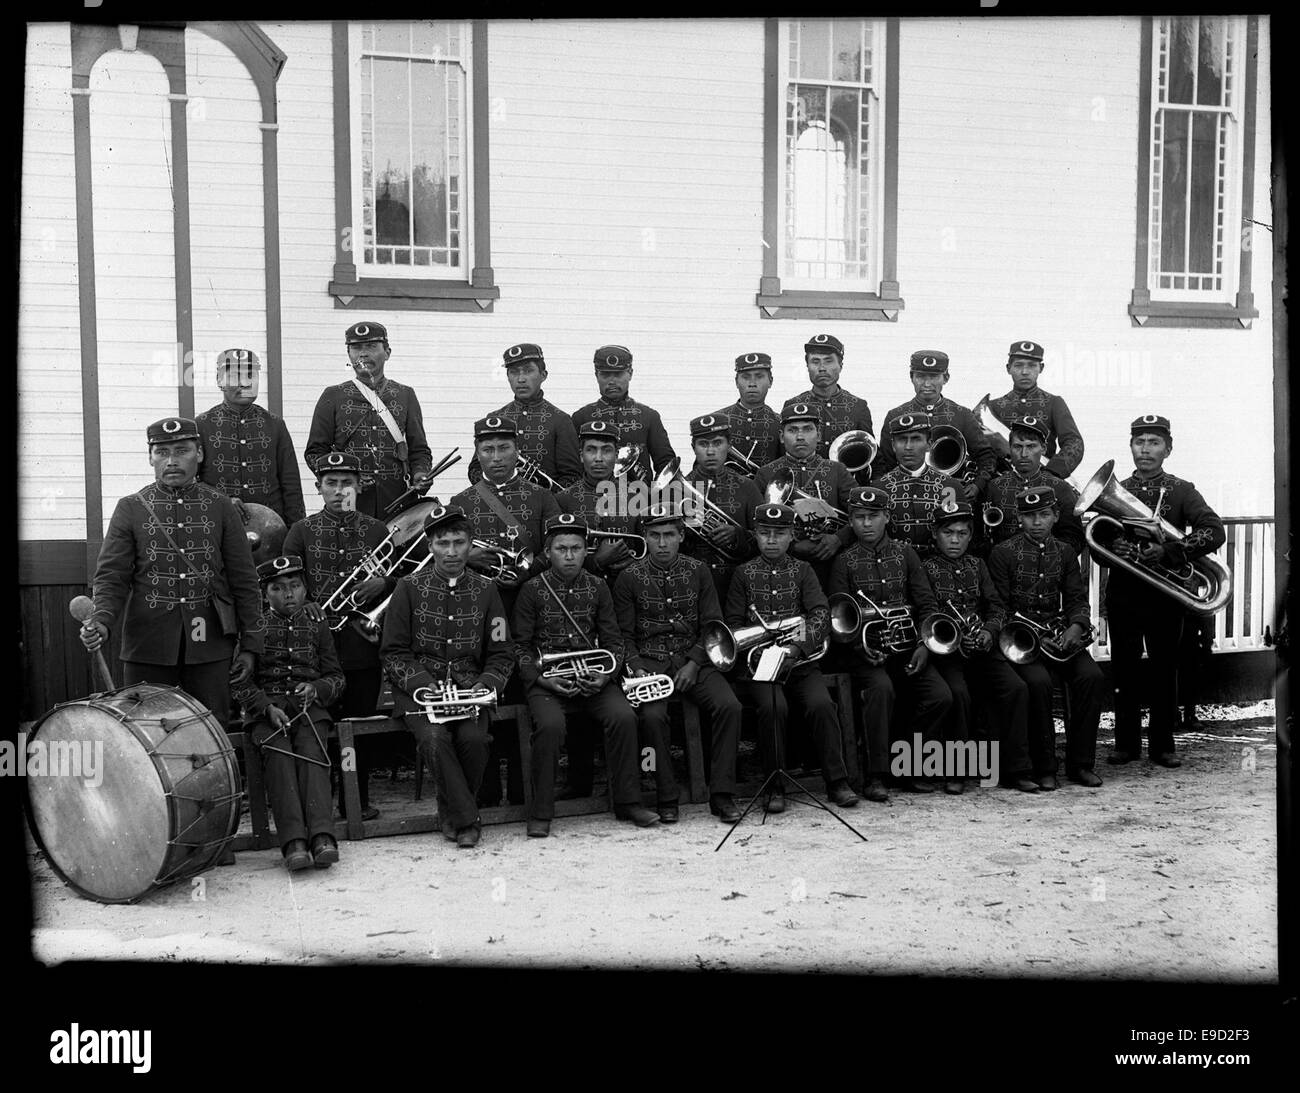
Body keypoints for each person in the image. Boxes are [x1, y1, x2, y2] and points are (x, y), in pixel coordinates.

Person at [81, 417, 263, 729]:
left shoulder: (220, 507)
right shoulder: (131, 508)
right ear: (150, 457)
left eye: (182, 451)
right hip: (148, 646)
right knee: (146, 734)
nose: (172, 461)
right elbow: (112, 577)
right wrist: (101, 620)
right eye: (162, 452)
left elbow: (245, 581)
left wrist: (251, 647)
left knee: (209, 732)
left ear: (200, 454)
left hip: (208, 642)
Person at [511, 513, 662, 837]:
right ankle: (541, 811)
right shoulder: (531, 590)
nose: (569, 556)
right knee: (551, 726)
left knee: (623, 716)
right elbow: (520, 647)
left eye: (576, 548)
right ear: (548, 552)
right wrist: (540, 679)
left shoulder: (598, 587)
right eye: (561, 549)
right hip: (548, 680)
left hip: (593, 676)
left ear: (586, 551)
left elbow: (614, 641)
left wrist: (606, 677)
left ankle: (628, 801)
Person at [380, 504, 514, 849]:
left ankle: (452, 813)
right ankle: (468, 819)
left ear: (471, 545)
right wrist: (425, 683)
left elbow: (501, 652)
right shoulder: (407, 587)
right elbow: (393, 652)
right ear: (430, 546)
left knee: (475, 740)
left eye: (459, 542)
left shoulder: (487, 590)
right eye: (443, 543)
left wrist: (486, 683)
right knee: (434, 741)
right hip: (419, 691)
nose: (451, 552)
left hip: (470, 689)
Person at [1102, 414, 1225, 769]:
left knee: (1163, 669)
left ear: (1168, 449)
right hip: (1124, 593)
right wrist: (1116, 549)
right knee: (1124, 670)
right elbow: (1099, 540)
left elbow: (1213, 530)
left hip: (1165, 596)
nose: (1146, 449)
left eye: (1154, 442)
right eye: (1139, 442)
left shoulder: (1182, 489)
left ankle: (1162, 745)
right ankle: (1125, 744)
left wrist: (1171, 551)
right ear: (1130, 447)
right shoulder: (1118, 488)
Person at [613, 502, 745, 823]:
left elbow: (713, 624)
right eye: (655, 535)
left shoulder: (699, 571)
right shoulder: (628, 578)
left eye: (669, 535)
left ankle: (722, 794)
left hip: (694, 660)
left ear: (681, 536)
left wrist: (695, 663)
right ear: (644, 536)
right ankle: (666, 796)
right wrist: (636, 667)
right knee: (652, 717)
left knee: (730, 706)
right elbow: (623, 636)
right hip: (650, 664)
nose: (661, 543)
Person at [724, 502, 859, 812]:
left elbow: (820, 614)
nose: (772, 540)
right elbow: (733, 625)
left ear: (791, 536)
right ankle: (774, 786)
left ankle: (837, 782)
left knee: (822, 705)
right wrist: (761, 649)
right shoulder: (743, 573)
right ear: (755, 535)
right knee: (774, 709)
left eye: (780, 534)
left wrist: (796, 647)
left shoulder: (803, 570)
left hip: (799, 663)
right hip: (760, 666)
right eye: (765, 534)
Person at [283, 452, 395, 822]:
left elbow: (406, 583)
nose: (339, 490)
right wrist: (308, 604)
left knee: (360, 722)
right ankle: (320, 803)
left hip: (363, 640)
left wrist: (385, 582)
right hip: (316, 647)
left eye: (347, 482)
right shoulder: (300, 531)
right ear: (318, 489)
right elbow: (287, 587)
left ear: (359, 487)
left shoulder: (379, 530)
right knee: (320, 724)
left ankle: (355, 801)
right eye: (330, 483)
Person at [828, 487, 951, 799]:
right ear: (851, 521)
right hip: (866, 654)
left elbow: (926, 603)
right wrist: (858, 646)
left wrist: (926, 644)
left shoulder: (905, 554)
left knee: (940, 696)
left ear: (886, 517)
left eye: (873, 516)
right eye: (858, 517)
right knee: (880, 690)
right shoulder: (844, 562)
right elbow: (837, 616)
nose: (866, 523)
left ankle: (912, 767)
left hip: (909, 649)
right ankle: (877, 776)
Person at [988, 487, 1105, 790]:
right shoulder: (1003, 553)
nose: (1036, 522)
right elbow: (999, 609)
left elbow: (1077, 600)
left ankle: (1081, 764)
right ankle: (1044, 767)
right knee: (1038, 683)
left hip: (1060, 638)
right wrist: (1036, 637)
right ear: (1019, 518)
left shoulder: (1065, 552)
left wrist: (1075, 628)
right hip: (1022, 641)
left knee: (1091, 676)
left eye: (1043, 515)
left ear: (1055, 516)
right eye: (1029, 516)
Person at [234, 555, 344, 871]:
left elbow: (337, 677)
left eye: (295, 586)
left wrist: (317, 689)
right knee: (279, 757)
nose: (289, 595)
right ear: (265, 594)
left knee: (312, 753)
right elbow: (239, 683)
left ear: (305, 588)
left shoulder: (317, 623)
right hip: (266, 715)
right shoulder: (252, 629)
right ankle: (294, 843)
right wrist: (266, 707)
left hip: (309, 712)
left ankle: (323, 837)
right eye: (278, 589)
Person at [921, 502, 1038, 793]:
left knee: (1016, 688)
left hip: (983, 648)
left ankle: (1017, 769)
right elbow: (925, 613)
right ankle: (957, 772)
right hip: (948, 653)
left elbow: (996, 607)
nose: (955, 540)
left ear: (970, 536)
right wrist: (958, 639)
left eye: (962, 533)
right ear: (935, 534)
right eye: (948, 533)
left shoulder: (978, 565)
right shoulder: (925, 568)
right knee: (958, 694)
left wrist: (988, 632)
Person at [304, 321, 433, 518]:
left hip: (397, 496)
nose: (363, 354)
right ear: (349, 355)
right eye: (356, 347)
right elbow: (315, 452)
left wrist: (420, 474)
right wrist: (342, 478)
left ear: (387, 352)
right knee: (348, 543)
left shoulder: (405, 395)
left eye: (371, 346)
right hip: (348, 498)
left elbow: (419, 449)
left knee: (395, 547)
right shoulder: (333, 396)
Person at [451, 415, 562, 613]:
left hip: (534, 601)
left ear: (517, 451)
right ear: (477, 454)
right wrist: (465, 557)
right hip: (476, 603)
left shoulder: (543, 496)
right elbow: (444, 553)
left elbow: (557, 545)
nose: (496, 457)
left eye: (504, 448)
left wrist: (527, 572)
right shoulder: (460, 502)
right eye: (488, 450)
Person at [195, 348, 306, 526]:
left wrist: (296, 536)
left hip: (271, 533)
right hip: (218, 529)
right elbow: (192, 484)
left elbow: (291, 487)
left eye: (250, 375)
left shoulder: (275, 425)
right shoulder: (202, 425)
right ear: (219, 380)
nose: (245, 383)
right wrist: (222, 502)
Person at [753, 402, 857, 585]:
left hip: (831, 566)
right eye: (792, 430)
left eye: (808, 429)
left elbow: (860, 511)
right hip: (781, 569)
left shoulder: (837, 470)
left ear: (819, 435)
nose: (800, 436)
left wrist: (838, 539)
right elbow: (754, 522)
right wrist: (792, 545)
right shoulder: (766, 473)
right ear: (782, 437)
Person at [872, 351, 995, 500]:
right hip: (906, 495)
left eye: (934, 377)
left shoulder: (962, 415)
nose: (927, 384)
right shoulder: (895, 415)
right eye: (921, 376)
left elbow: (985, 456)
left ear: (946, 378)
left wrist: (977, 485)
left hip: (950, 495)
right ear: (911, 377)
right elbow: (886, 462)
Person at [467, 343, 581, 489]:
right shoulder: (495, 418)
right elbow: (475, 470)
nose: (521, 379)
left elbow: (572, 477)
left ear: (543, 375)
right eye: (514, 372)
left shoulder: (560, 420)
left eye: (528, 371)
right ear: (507, 377)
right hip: (498, 506)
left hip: (544, 509)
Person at [680, 413, 761, 605]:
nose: (710, 451)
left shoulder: (747, 486)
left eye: (717, 443)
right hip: (691, 585)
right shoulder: (678, 489)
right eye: (703, 444)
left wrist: (737, 535)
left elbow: (765, 537)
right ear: (693, 448)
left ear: (729, 445)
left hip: (737, 586)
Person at [571, 344, 675, 483]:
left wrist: (657, 495)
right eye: (605, 375)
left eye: (618, 374)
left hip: (641, 500)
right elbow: (572, 467)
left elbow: (665, 464)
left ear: (630, 373)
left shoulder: (649, 417)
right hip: (594, 499)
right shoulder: (581, 417)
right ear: (596, 375)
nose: (612, 381)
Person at [983, 416, 1084, 557]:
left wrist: (1048, 559)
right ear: (1010, 448)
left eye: (1031, 446)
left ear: (1043, 449)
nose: (1024, 454)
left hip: (1050, 572)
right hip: (1003, 573)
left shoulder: (1061, 488)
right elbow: (982, 537)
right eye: (1018, 447)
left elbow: (1075, 539)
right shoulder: (994, 487)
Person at [557, 420, 643, 583]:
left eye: (606, 451)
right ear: (581, 456)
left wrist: (634, 563)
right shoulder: (563, 499)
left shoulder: (637, 497)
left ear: (617, 456)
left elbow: (651, 549)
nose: (598, 458)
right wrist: (597, 561)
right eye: (591, 450)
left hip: (626, 589)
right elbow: (555, 557)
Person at [870, 412, 964, 559]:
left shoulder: (950, 487)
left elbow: (958, 534)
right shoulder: (879, 488)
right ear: (893, 445)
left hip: (939, 570)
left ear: (929, 444)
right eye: (902, 440)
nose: (908, 447)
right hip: (895, 568)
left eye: (916, 439)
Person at [781, 333, 874, 479]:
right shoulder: (793, 405)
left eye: (828, 361)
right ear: (807, 366)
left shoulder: (858, 406)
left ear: (840, 366)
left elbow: (874, 458)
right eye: (815, 361)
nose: (822, 368)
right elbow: (783, 455)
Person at [988, 340, 1085, 479]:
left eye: (1032, 366)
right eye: (1018, 365)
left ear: (1041, 368)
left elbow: (1074, 442)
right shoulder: (993, 407)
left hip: (1045, 482)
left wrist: (1052, 473)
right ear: (1008, 368)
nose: (1025, 372)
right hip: (1003, 483)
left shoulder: (1054, 403)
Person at [712, 352, 784, 472]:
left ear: (770, 381)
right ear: (736, 382)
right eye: (745, 377)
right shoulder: (717, 422)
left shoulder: (780, 423)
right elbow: (700, 470)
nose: (752, 384)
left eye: (759, 376)